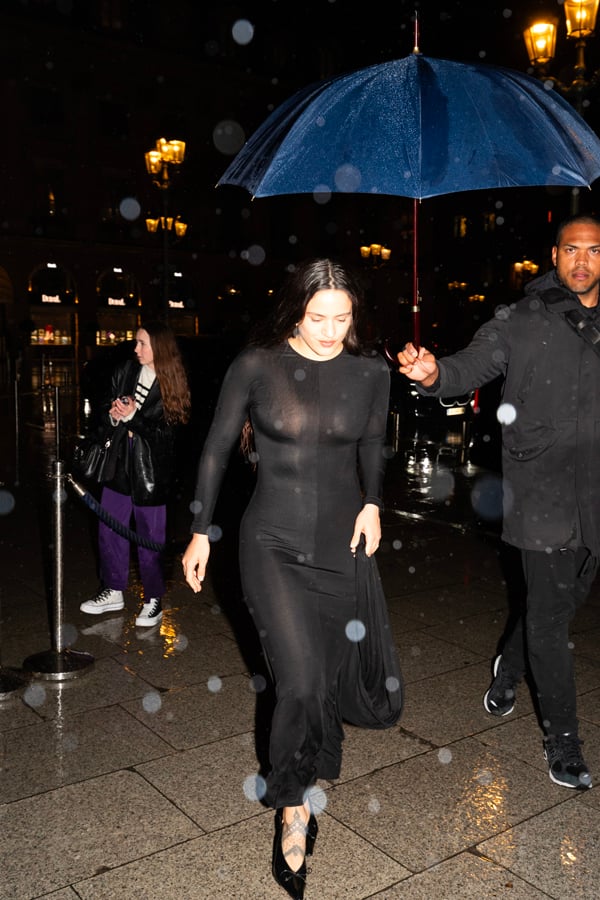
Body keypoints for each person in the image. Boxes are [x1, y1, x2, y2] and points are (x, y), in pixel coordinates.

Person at [182, 258, 396, 899]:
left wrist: (373, 503)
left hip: (340, 543)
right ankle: (292, 804)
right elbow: (216, 448)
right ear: (295, 311)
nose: (329, 332)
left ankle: (310, 767)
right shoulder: (257, 364)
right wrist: (199, 529)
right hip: (269, 543)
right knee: (299, 679)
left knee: (321, 679)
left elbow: (372, 445)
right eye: (316, 317)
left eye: (342, 318)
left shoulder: (371, 372)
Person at [396, 214, 600, 791]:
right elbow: (472, 363)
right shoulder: (522, 318)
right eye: (571, 249)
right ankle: (564, 742)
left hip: (595, 493)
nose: (582, 260)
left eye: (594, 251)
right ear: (553, 255)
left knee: (559, 603)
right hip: (541, 490)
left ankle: (508, 667)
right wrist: (434, 374)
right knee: (551, 621)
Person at [80, 321, 191, 627]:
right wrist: (114, 415)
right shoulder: (126, 371)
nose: (136, 349)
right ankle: (114, 589)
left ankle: (153, 598)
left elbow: (166, 437)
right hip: (118, 462)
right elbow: (104, 408)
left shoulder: (173, 383)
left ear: (160, 348)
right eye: (137, 342)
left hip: (151, 471)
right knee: (109, 529)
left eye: (143, 343)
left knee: (149, 538)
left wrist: (134, 418)